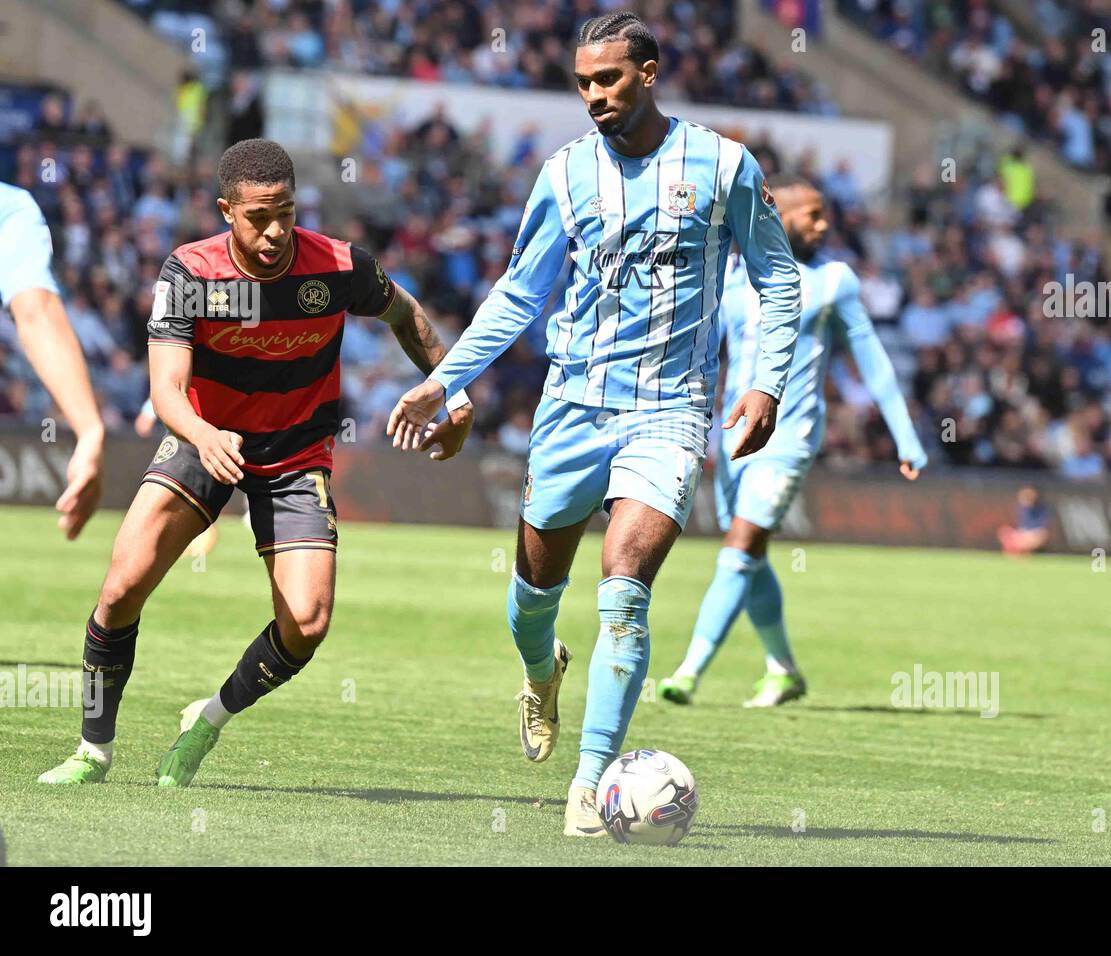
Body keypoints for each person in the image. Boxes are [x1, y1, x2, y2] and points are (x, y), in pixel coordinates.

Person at [386, 12, 801, 836]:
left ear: (649, 73)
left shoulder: (723, 166)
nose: (593, 97)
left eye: (608, 80)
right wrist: (446, 380)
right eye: (582, 83)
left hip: (671, 409)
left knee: (624, 594)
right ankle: (542, 675)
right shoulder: (566, 173)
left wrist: (765, 385)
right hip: (572, 405)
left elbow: (779, 279)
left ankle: (590, 784)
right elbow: (519, 293)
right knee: (531, 601)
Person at [38, 139, 473, 787]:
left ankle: (207, 720)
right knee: (121, 589)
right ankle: (92, 750)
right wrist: (201, 432)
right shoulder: (188, 275)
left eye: (286, 214)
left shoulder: (339, 267)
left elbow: (405, 313)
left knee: (306, 623)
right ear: (225, 211)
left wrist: (452, 388)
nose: (274, 232)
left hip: (297, 453)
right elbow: (164, 389)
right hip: (200, 440)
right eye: (257, 217)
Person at [659, 177, 928, 707]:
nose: (824, 225)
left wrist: (906, 437)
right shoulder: (735, 274)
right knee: (749, 554)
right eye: (813, 214)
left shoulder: (835, 281)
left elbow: (870, 358)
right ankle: (783, 670)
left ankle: (688, 672)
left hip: (791, 435)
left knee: (738, 549)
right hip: (732, 438)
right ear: (777, 216)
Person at [0, 181, 104, 540]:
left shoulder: (11, 209)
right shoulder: (11, 207)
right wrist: (89, 429)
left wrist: (90, 429)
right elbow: (36, 313)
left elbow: (37, 312)